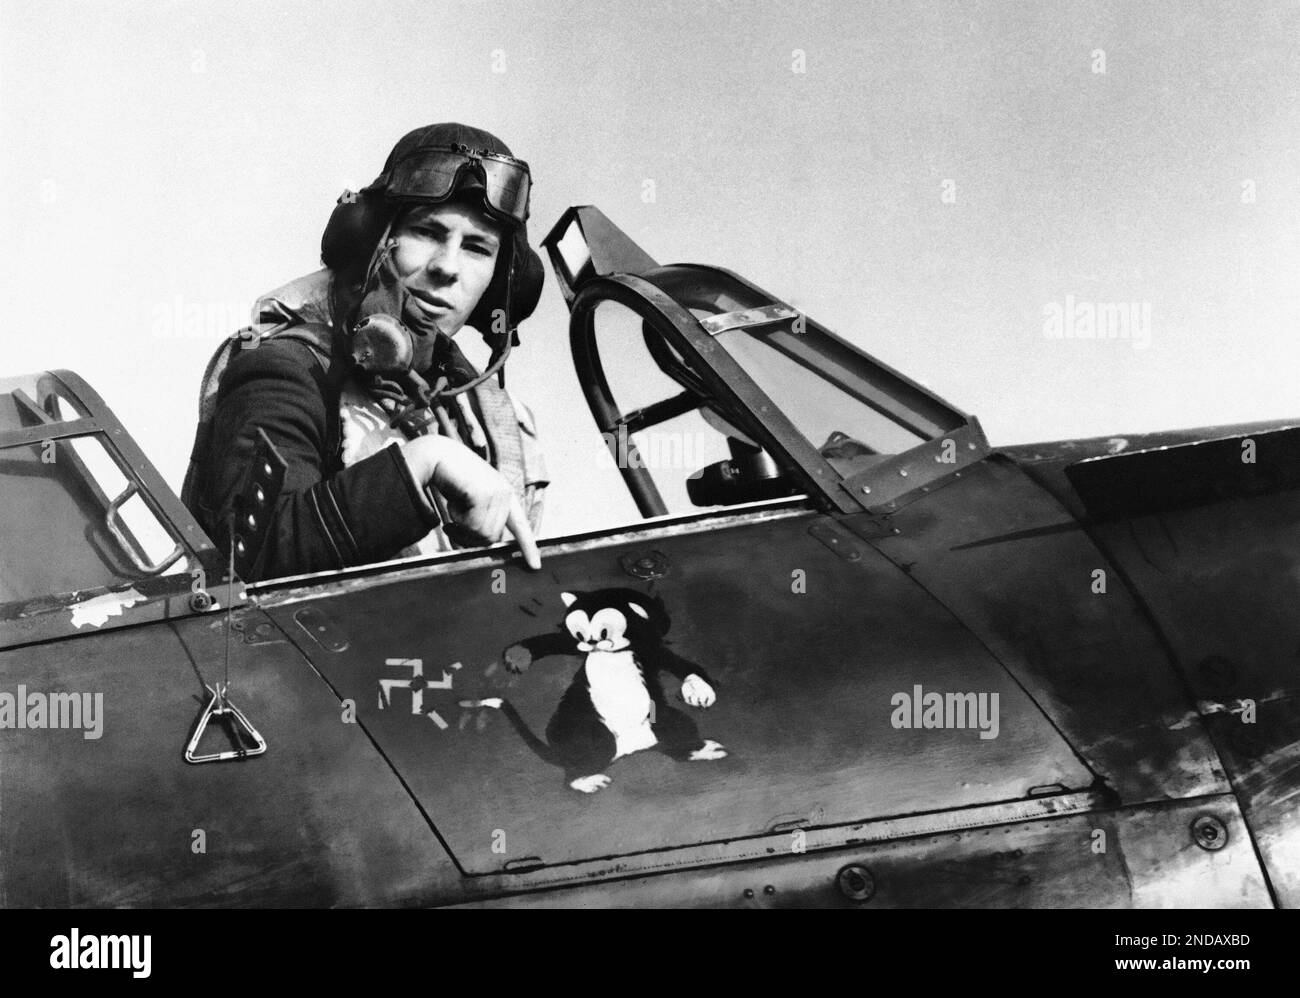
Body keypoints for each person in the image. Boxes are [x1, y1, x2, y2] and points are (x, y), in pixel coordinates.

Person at [182, 123, 547, 582]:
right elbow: (249, 561)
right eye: (427, 232)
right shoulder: (287, 368)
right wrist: (422, 462)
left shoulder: (486, 417)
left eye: (476, 248)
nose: (447, 268)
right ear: (371, 239)